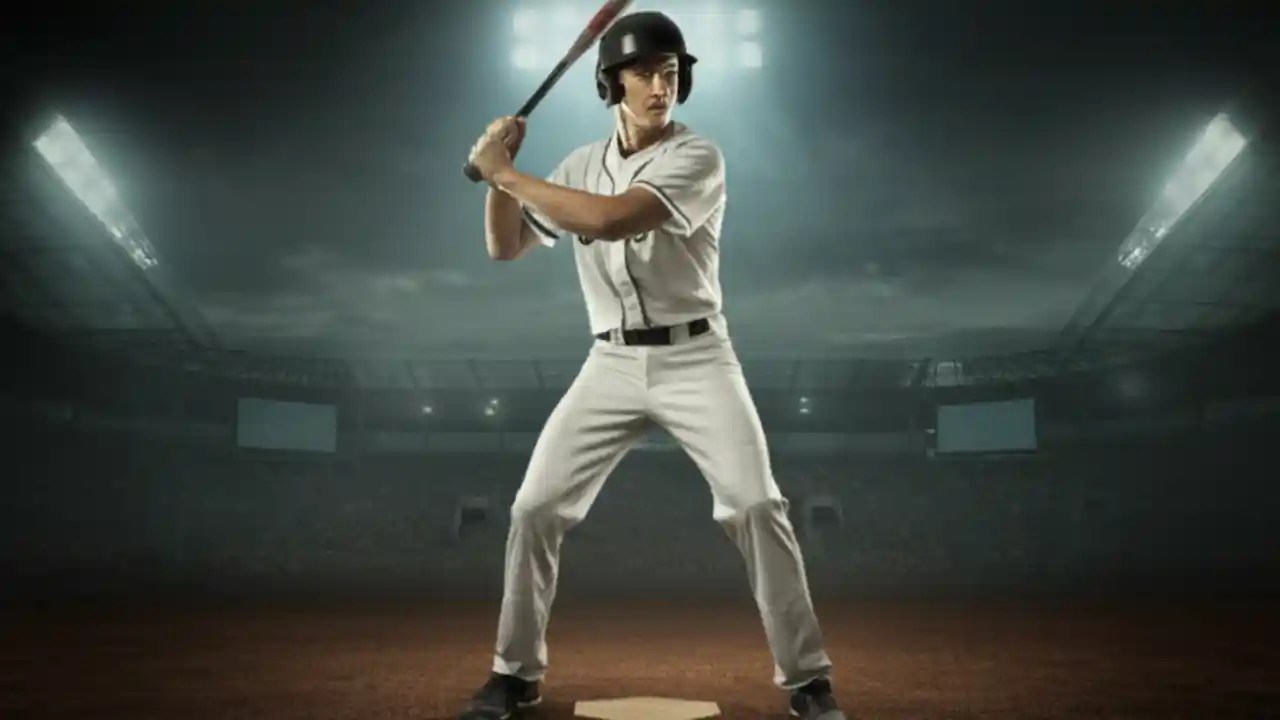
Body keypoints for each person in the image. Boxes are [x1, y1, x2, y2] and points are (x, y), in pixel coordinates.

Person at [459, 11, 848, 720]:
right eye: (643, 71)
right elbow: (504, 247)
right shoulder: (578, 162)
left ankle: (808, 678)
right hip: (608, 362)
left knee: (758, 505)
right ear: (612, 82)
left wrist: (508, 172)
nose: (659, 84)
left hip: (698, 356)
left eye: (670, 72)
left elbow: (611, 219)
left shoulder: (698, 157)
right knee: (534, 507)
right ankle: (514, 674)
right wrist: (499, 176)